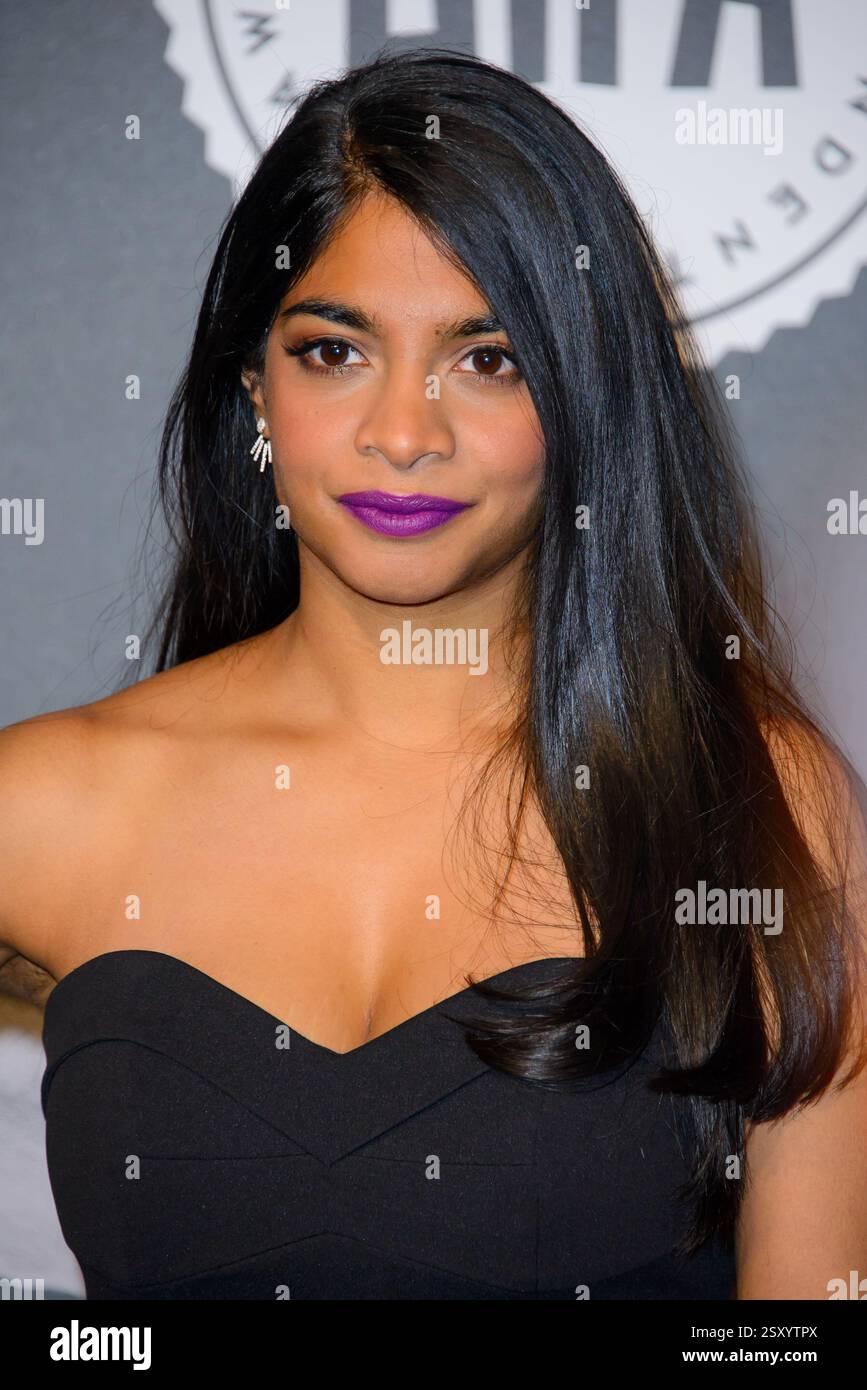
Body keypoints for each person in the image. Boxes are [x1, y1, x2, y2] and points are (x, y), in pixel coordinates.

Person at [2, 46, 866, 1301]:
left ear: (584, 404)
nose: (403, 434)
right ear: (254, 389)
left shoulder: (756, 807)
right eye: (335, 351)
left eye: (490, 358)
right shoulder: (45, 804)